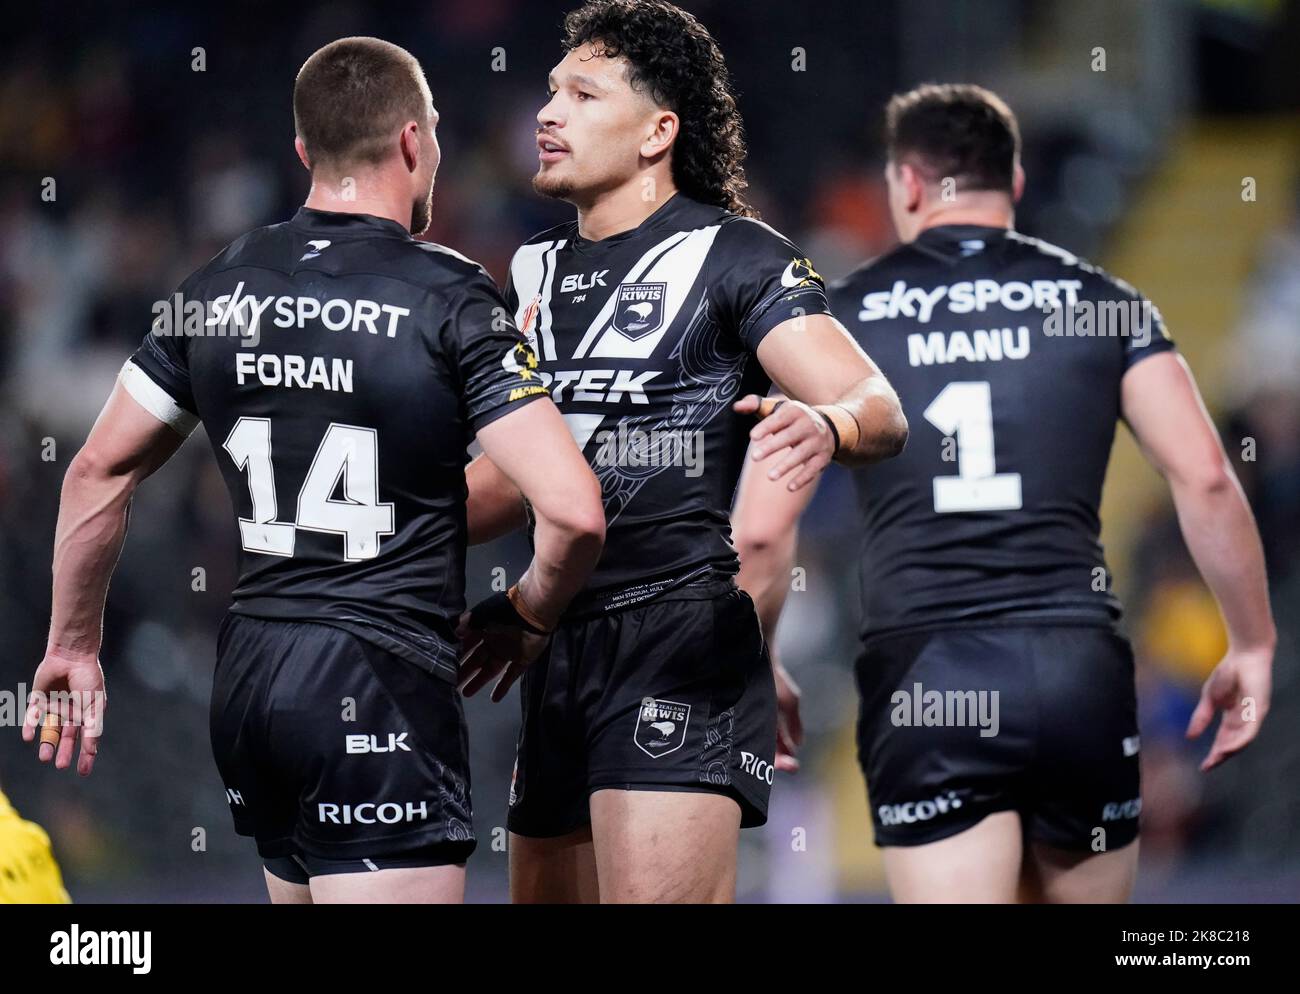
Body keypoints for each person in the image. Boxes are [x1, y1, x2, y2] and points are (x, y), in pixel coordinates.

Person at [21, 36, 604, 905]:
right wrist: (530, 614)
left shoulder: (216, 284)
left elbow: (97, 472)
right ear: (414, 141)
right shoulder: (447, 296)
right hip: (378, 687)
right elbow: (574, 512)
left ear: (303, 151)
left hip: (253, 687)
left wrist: (72, 644)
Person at [731, 83, 1276, 903]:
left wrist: (761, 664)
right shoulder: (1101, 304)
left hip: (930, 679)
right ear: (1014, 185)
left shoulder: (837, 321)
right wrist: (1253, 644)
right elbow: (1204, 476)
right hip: (1076, 675)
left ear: (906, 185)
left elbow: (764, 534)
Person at [460, 0, 907, 904]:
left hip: (678, 639)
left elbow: (880, 407)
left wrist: (827, 425)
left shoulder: (737, 256)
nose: (547, 114)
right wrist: (360, 533)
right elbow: (513, 477)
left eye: (582, 95)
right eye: (550, 92)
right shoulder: (532, 273)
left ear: (658, 130)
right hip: (550, 638)